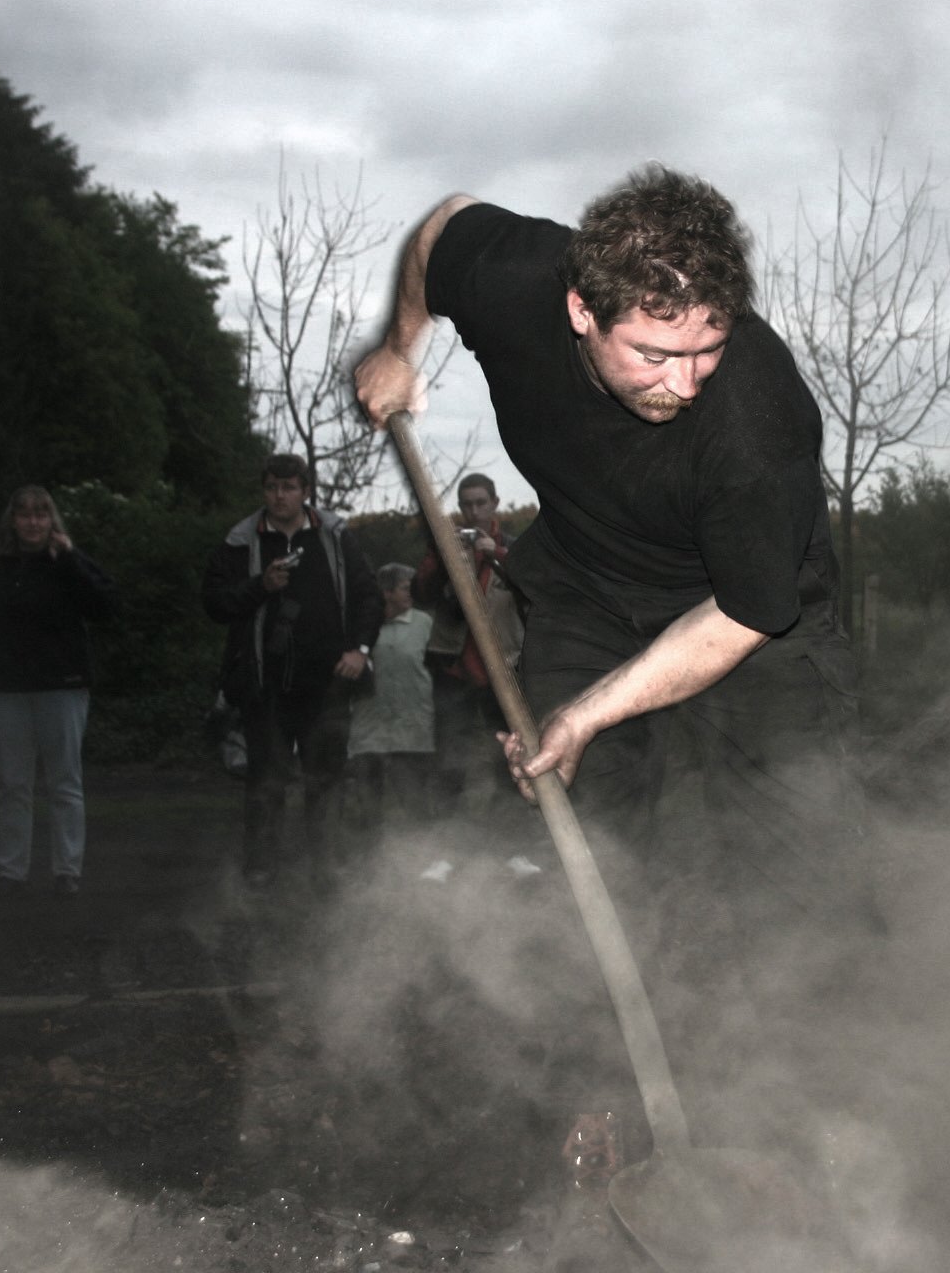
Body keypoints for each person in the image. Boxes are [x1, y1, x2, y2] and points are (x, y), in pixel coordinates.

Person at [354, 166, 875, 1152]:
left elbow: (738, 619)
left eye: (706, 348)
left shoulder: (754, 425)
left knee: (805, 849)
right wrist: (398, 342)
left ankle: (819, 1099)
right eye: (652, 352)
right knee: (589, 834)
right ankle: (604, 1084)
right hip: (590, 586)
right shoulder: (514, 277)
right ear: (578, 309)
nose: (682, 382)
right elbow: (441, 231)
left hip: (756, 616)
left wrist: (589, 709)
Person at [203, 454, 381, 888]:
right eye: (271, 488)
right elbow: (214, 603)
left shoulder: (334, 536)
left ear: (306, 491)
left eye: (288, 487)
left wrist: (359, 649)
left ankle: (325, 867)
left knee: (326, 776)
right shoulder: (242, 539)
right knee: (265, 778)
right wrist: (260, 587)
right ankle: (262, 868)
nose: (279, 496)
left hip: (328, 682)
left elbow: (368, 596)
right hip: (263, 684)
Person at [0, 486, 115, 899]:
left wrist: (69, 558)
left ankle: (67, 870)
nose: (33, 522)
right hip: (6, 687)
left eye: (40, 514)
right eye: (25, 514)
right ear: (13, 519)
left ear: (51, 519)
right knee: (12, 783)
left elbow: (105, 605)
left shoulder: (67, 561)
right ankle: (11, 871)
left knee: (64, 781)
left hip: (61, 686)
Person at [411, 471, 522, 801]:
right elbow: (421, 594)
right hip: (454, 669)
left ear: (495, 504)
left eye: (480, 503)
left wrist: (498, 557)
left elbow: (536, 595)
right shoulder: (446, 546)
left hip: (504, 668)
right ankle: (446, 844)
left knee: (511, 756)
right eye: (466, 505)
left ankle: (511, 842)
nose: (474, 512)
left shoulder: (513, 549)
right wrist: (443, 555)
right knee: (449, 759)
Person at [346, 563, 437, 829]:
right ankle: (369, 858)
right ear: (385, 593)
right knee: (368, 802)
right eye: (406, 588)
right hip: (368, 727)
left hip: (412, 727)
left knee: (413, 798)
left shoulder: (425, 624)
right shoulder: (360, 626)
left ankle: (424, 854)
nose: (413, 593)